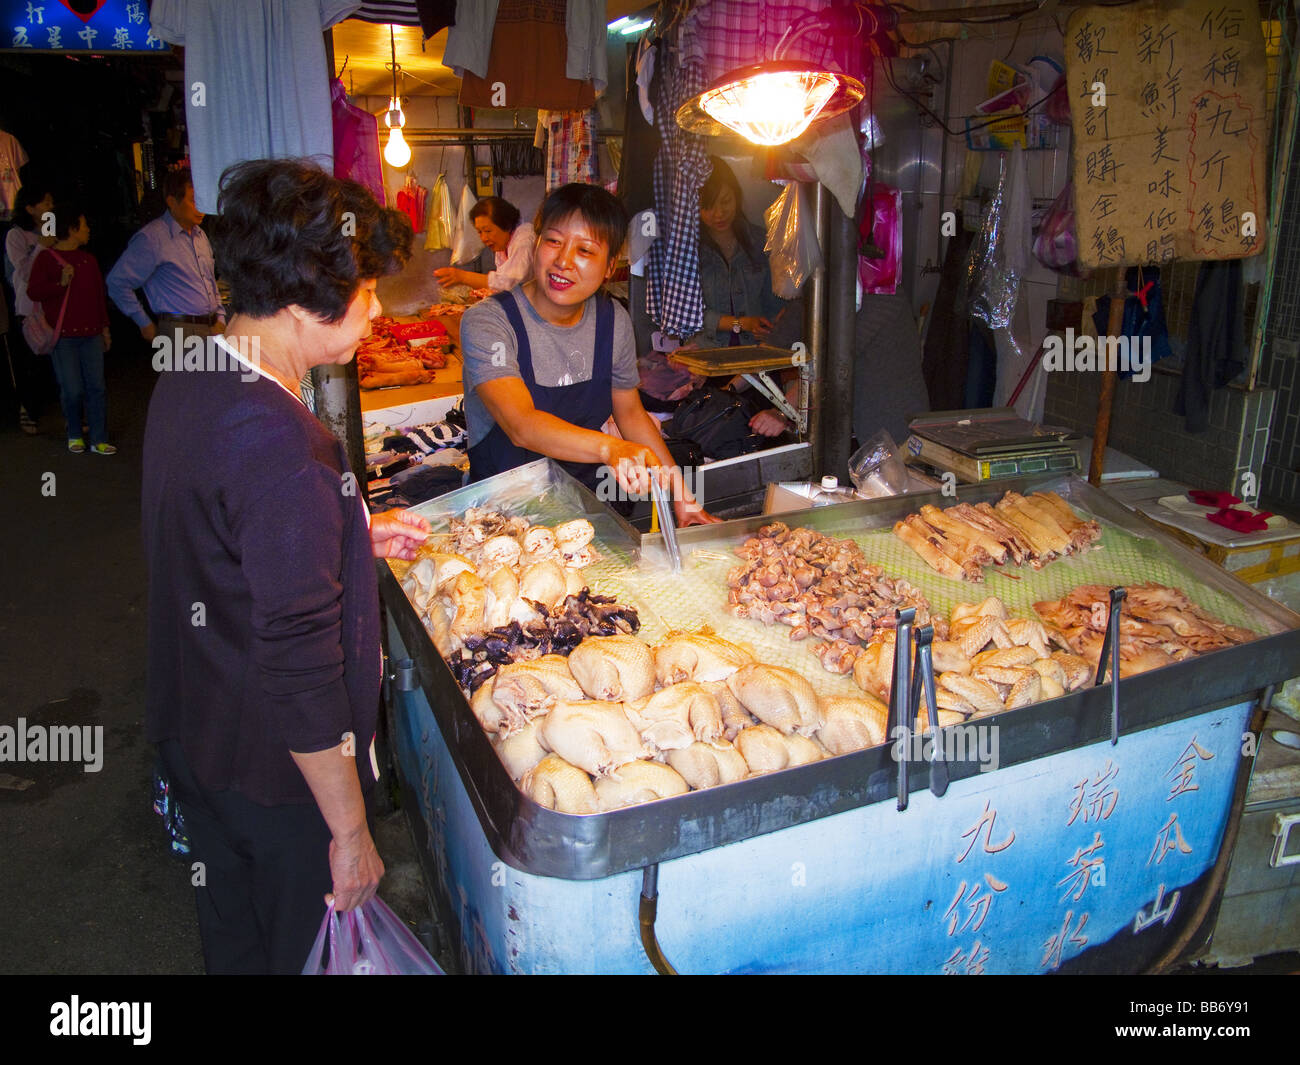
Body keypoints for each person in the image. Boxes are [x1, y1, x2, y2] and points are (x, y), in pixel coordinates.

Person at [141, 158, 428, 974]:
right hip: (279, 777)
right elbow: (300, 664)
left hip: (201, 739)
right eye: (367, 289)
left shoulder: (191, 371)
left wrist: (341, 534)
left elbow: (211, 533)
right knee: (298, 949)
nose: (374, 308)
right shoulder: (283, 445)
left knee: (236, 943)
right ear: (307, 299)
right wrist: (350, 831)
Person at [460, 182, 714, 525]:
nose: (564, 261)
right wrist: (611, 448)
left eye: (585, 250)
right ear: (535, 244)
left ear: (610, 266)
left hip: (583, 515)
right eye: (553, 241)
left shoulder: (613, 321)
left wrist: (683, 497)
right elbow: (521, 424)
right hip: (501, 520)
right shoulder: (488, 322)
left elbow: (630, 413)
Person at [26, 200, 114, 455]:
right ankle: (75, 433)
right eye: (84, 225)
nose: (88, 229)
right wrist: (60, 284)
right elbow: (33, 292)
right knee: (73, 388)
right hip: (63, 336)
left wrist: (105, 329)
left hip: (92, 334)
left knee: (97, 387)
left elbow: (99, 297)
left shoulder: (89, 260)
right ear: (72, 228)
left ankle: (99, 438)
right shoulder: (46, 259)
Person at [106, 165, 223, 347]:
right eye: (193, 201)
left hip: (211, 327)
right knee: (181, 376)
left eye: (201, 200)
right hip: (179, 330)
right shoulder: (152, 238)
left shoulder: (200, 235)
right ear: (172, 201)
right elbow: (117, 282)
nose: (200, 208)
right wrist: (143, 322)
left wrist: (220, 317)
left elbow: (210, 281)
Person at [4, 182, 55, 434]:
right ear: (30, 208)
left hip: (54, 303)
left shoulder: (51, 229)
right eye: (45, 202)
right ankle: (28, 409)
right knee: (31, 361)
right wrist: (43, 246)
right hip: (29, 307)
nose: (50, 206)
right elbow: (23, 271)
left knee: (55, 359)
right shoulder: (16, 235)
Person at [433, 195, 535, 293]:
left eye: (487, 231)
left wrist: (463, 277)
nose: (483, 238)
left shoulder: (524, 240)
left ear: (506, 225)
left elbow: (511, 283)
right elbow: (501, 281)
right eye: (479, 232)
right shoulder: (503, 242)